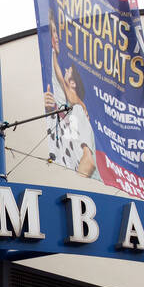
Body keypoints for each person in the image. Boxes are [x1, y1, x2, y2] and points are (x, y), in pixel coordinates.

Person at [42, 12, 100, 180]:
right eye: (53, 32)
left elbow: (88, 162)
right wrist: (53, 52)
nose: (64, 71)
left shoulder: (78, 112)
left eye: (68, 71)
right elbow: (58, 77)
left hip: (81, 188)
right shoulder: (66, 108)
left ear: (73, 83)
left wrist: (76, 185)